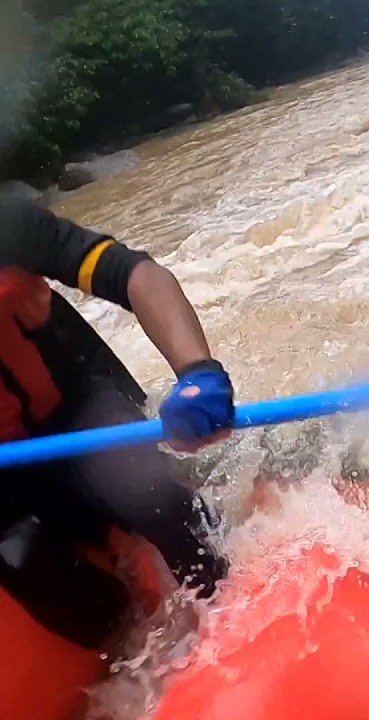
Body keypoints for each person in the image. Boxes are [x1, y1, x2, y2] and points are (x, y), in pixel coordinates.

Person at [0, 196, 234, 639]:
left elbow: (134, 274)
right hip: (10, 473)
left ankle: (223, 592)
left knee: (142, 490)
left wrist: (197, 372)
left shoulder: (8, 227)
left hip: (81, 410)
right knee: (22, 559)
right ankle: (129, 640)